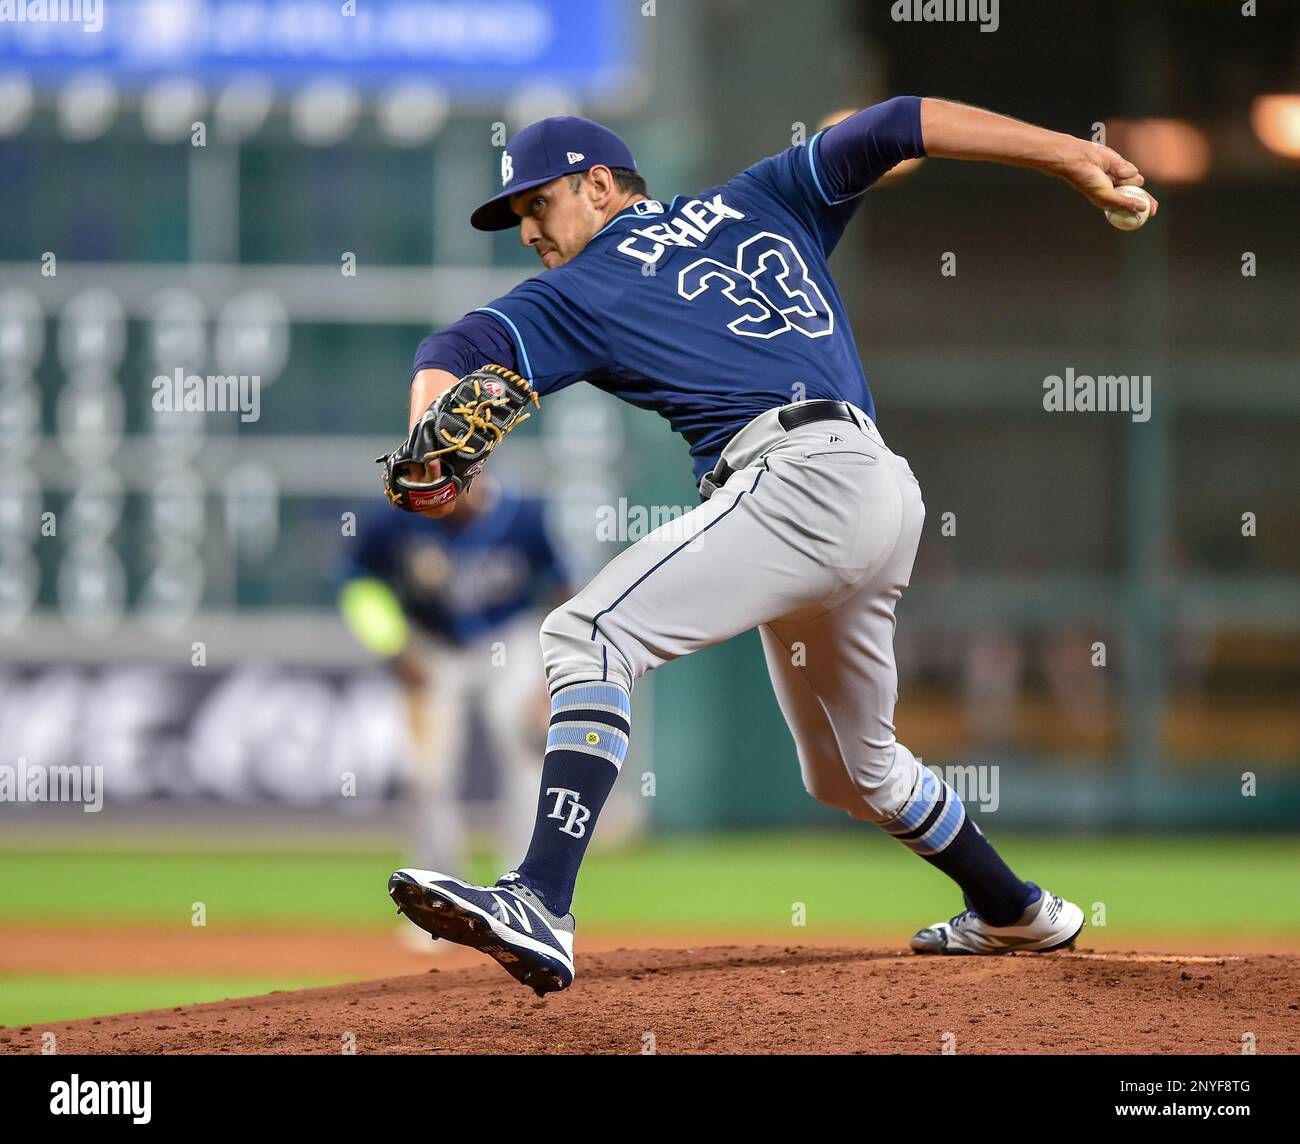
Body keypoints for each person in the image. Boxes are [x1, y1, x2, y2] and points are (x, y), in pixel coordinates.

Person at [385, 97, 1159, 995]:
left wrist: (426, 436)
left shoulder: (580, 288)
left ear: (599, 185)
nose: (528, 230)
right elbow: (897, 122)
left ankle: (541, 901)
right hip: (876, 487)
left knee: (585, 636)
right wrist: (1068, 152)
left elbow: (457, 344)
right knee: (851, 773)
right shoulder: (763, 195)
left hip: (797, 483)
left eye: (536, 206)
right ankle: (1017, 909)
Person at [341, 476, 568, 921]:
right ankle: (439, 901)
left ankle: (526, 898)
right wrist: (393, 645)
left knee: (528, 758)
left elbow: (562, 587)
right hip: (430, 649)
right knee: (423, 773)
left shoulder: (524, 514)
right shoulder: (398, 517)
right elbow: (359, 585)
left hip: (510, 643)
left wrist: (554, 673)